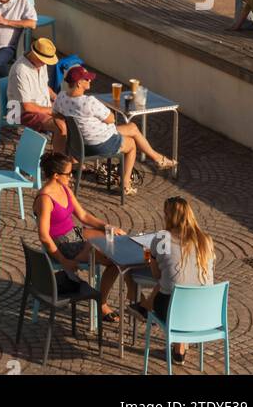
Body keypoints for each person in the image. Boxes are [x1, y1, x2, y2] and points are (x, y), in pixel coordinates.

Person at [53, 66, 177, 198]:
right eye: (87, 79)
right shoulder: (89, 102)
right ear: (79, 83)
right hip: (98, 144)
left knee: (133, 127)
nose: (90, 81)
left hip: (78, 143)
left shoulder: (61, 97)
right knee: (131, 145)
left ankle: (158, 159)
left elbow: (56, 115)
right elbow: (111, 119)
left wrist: (68, 125)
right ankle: (125, 185)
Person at [34, 151, 124, 322]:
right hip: (63, 244)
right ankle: (102, 303)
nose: (71, 177)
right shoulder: (45, 199)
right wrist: (63, 261)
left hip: (75, 234)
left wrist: (107, 226)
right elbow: (44, 236)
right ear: (55, 175)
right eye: (69, 174)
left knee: (115, 241)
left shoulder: (64, 188)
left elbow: (83, 216)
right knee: (113, 260)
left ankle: (122, 298)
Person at [130, 196, 216, 364]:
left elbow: (156, 275)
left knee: (168, 287)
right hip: (204, 311)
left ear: (169, 217)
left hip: (173, 309)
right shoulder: (206, 240)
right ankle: (179, 349)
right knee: (179, 285)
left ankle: (144, 306)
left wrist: (154, 260)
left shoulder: (162, 238)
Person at [7, 37, 66, 149]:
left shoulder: (40, 64)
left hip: (41, 107)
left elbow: (44, 86)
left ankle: (66, 155)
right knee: (61, 126)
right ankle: (59, 162)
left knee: (73, 118)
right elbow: (28, 107)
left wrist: (57, 98)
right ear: (35, 55)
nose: (45, 64)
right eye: (43, 60)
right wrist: (52, 111)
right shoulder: (21, 70)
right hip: (19, 113)